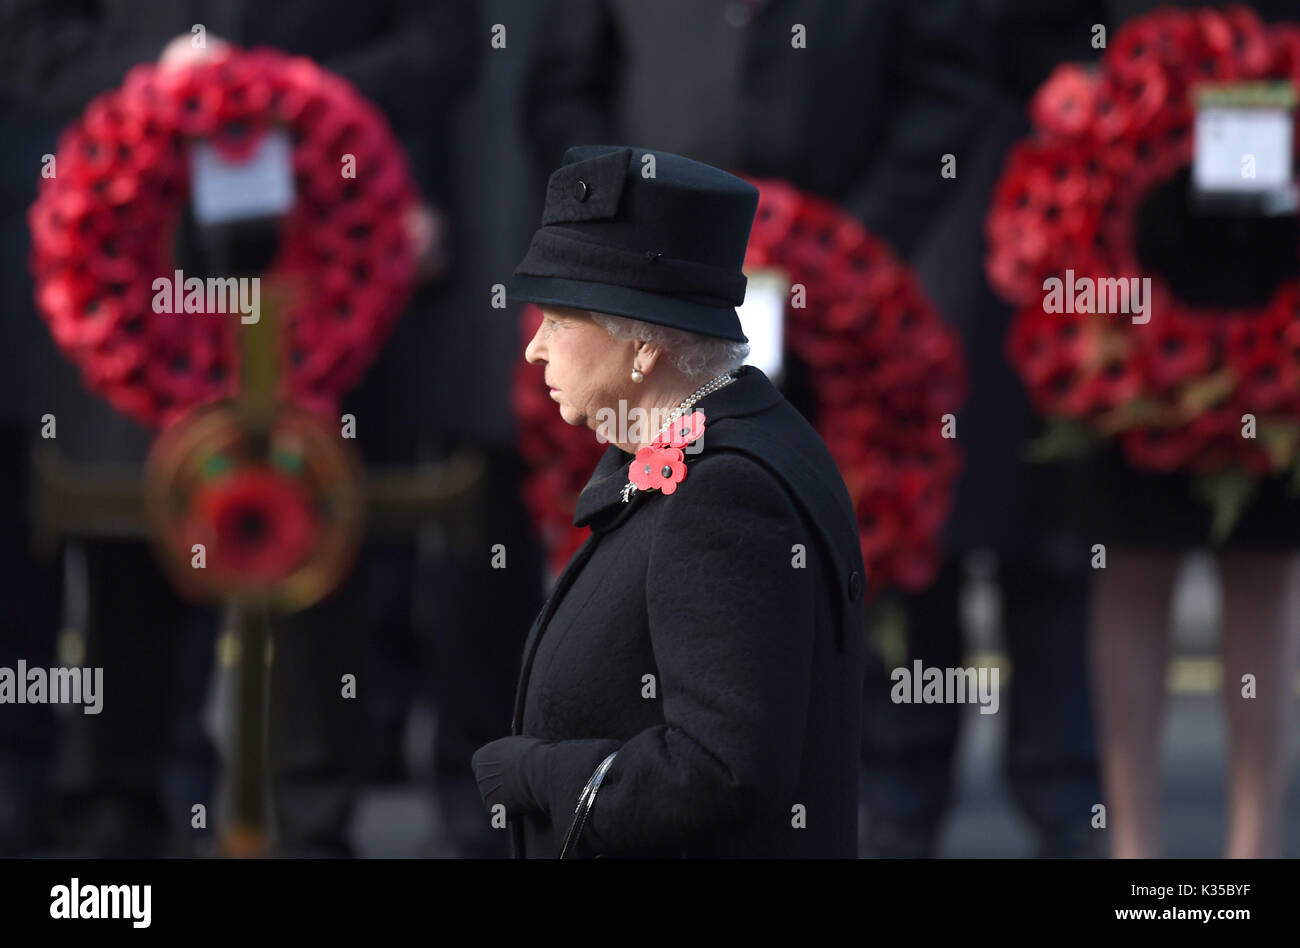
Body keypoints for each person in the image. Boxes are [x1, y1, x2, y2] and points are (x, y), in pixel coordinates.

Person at [471, 145, 866, 857]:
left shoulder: (724, 490)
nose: (535, 350)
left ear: (643, 346)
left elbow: (721, 771)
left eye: (560, 321)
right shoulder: (721, 439)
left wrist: (541, 774)